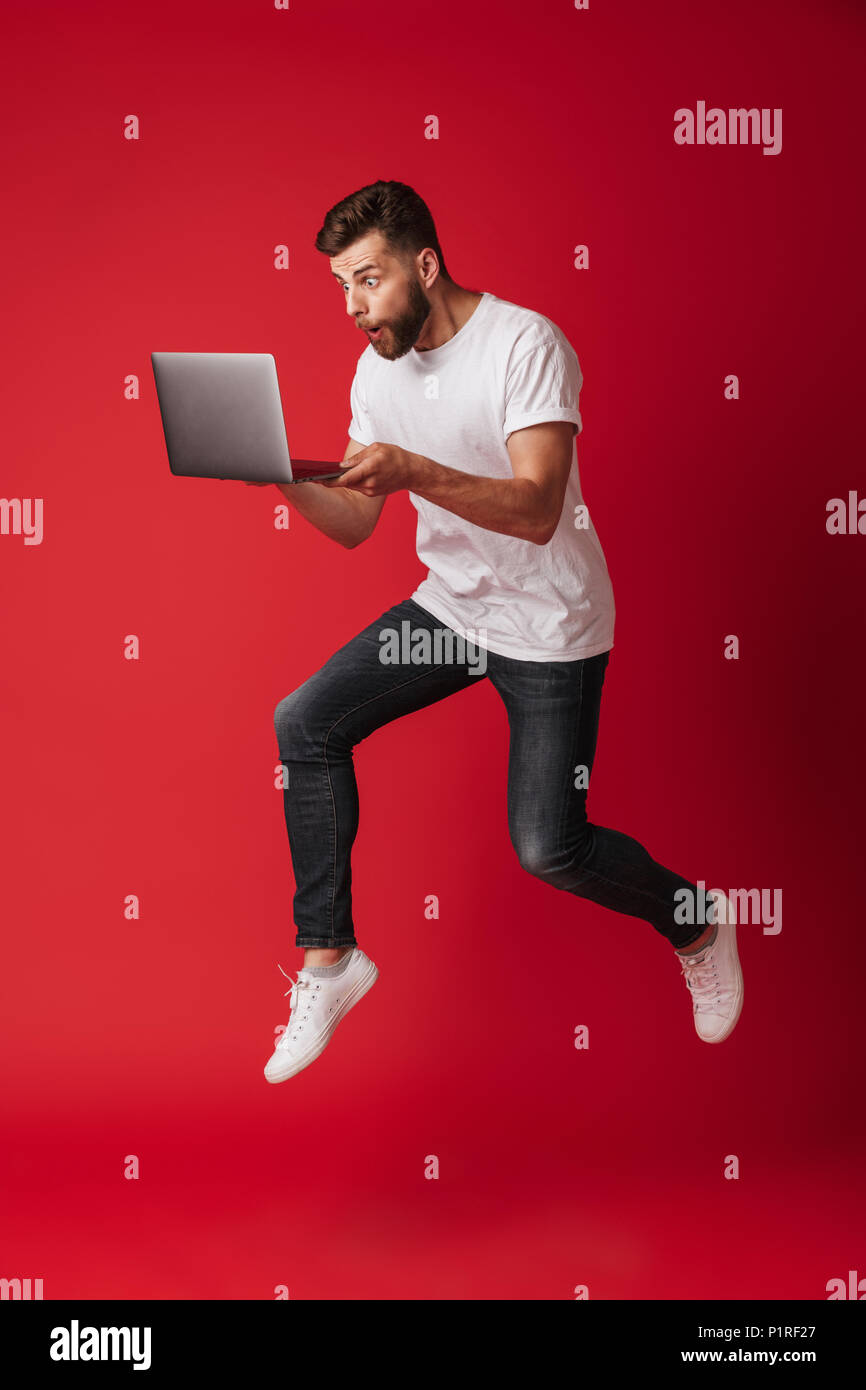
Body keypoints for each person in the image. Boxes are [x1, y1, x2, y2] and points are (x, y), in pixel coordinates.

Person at [260, 179, 743, 1084]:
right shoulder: (378, 371)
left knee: (548, 848)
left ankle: (695, 919)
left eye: (368, 280)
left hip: (549, 623)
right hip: (454, 611)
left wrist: (411, 466)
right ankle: (329, 958)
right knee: (305, 722)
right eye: (341, 288)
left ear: (426, 265)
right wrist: (281, 476)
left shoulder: (525, 343)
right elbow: (359, 524)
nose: (356, 308)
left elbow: (534, 509)